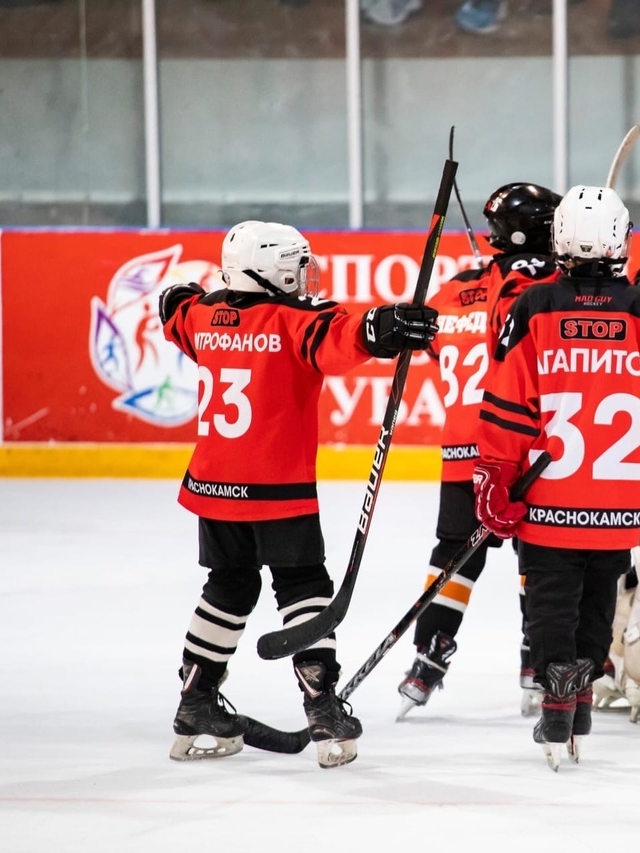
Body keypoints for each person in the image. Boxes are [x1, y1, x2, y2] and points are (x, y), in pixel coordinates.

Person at [158, 220, 439, 768]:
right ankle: (322, 705)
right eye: (295, 263)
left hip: (214, 486)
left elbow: (174, 303)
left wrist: (197, 294)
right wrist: (383, 328)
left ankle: (195, 700)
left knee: (228, 585)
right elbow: (344, 338)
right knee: (303, 584)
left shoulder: (201, 317)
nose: (305, 273)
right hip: (275, 487)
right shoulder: (293, 319)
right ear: (268, 269)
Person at [475, 184, 640, 769]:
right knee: (597, 599)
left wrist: (494, 472)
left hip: (548, 494)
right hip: (618, 498)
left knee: (549, 601)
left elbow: (506, 402)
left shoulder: (535, 305)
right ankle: (584, 682)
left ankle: (557, 688)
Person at [397, 182, 562, 720]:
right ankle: (535, 661)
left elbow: (436, 347)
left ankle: (429, 656)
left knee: (454, 554)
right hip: (524, 445)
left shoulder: (451, 290)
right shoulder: (546, 285)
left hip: (461, 448)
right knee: (535, 554)